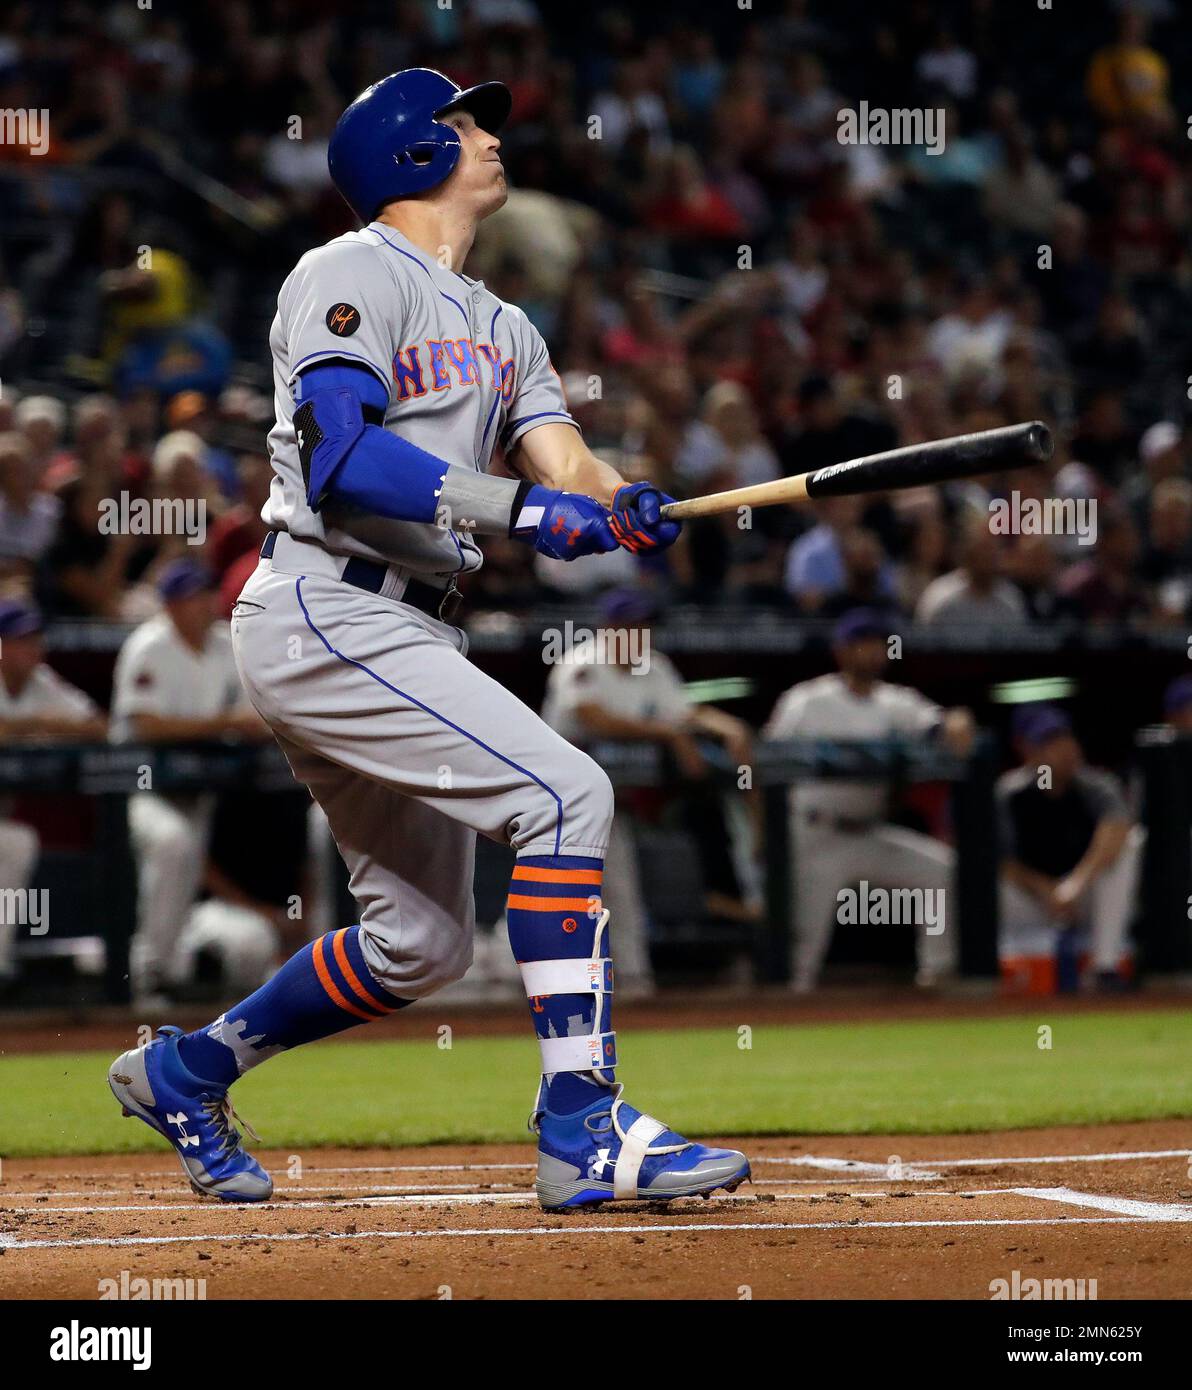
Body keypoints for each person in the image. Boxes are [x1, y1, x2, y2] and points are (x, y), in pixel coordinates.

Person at [109, 69, 749, 1210]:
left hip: (405, 624)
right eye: (462, 124)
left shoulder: (506, 327)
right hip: (326, 603)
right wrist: (522, 512)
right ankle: (581, 1125)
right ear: (407, 152)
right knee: (564, 797)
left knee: (419, 944)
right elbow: (345, 461)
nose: (488, 137)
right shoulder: (347, 270)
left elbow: (565, 466)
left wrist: (615, 502)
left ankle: (185, 1068)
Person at [541, 588, 759, 992]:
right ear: (608, 630)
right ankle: (509, 973)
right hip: (558, 801)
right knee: (555, 892)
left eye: (644, 627)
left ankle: (636, 980)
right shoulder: (581, 663)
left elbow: (685, 712)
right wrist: (671, 735)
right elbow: (595, 719)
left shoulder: (654, 668)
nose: (640, 635)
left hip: (608, 805)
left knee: (617, 890)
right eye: (630, 627)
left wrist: (724, 725)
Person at [763, 608, 974, 992]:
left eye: (878, 644)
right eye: (862, 644)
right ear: (841, 651)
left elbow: (942, 724)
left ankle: (936, 978)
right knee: (800, 955)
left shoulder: (898, 701)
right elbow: (768, 765)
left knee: (940, 872)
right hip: (814, 834)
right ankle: (785, 1014)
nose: (872, 652)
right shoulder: (807, 700)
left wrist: (957, 722)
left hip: (868, 833)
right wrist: (765, 836)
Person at [110, 559, 268, 1008]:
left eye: (205, 595)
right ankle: (149, 973)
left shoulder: (223, 643)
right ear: (171, 606)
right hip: (143, 785)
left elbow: (251, 712)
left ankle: (168, 974)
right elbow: (143, 724)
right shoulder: (148, 645)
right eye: (191, 598)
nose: (203, 605)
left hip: (201, 787)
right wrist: (221, 724)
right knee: (172, 846)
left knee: (185, 862)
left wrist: (240, 725)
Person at [0, 600, 106, 996]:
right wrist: (36, 725)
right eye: (20, 641)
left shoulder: (41, 681)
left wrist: (30, 725)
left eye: (34, 639)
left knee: (14, 842)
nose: (33, 648)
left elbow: (97, 726)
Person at [997, 705, 1139, 990]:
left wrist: (1075, 885)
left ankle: (1105, 968)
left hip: (1083, 898)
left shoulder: (1095, 785)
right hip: (1031, 901)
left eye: (1065, 738)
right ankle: (977, 973)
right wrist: (1046, 890)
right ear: (1027, 750)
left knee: (1131, 845)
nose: (1064, 749)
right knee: (975, 870)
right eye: (1049, 742)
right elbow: (999, 859)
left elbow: (1117, 828)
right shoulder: (1009, 793)